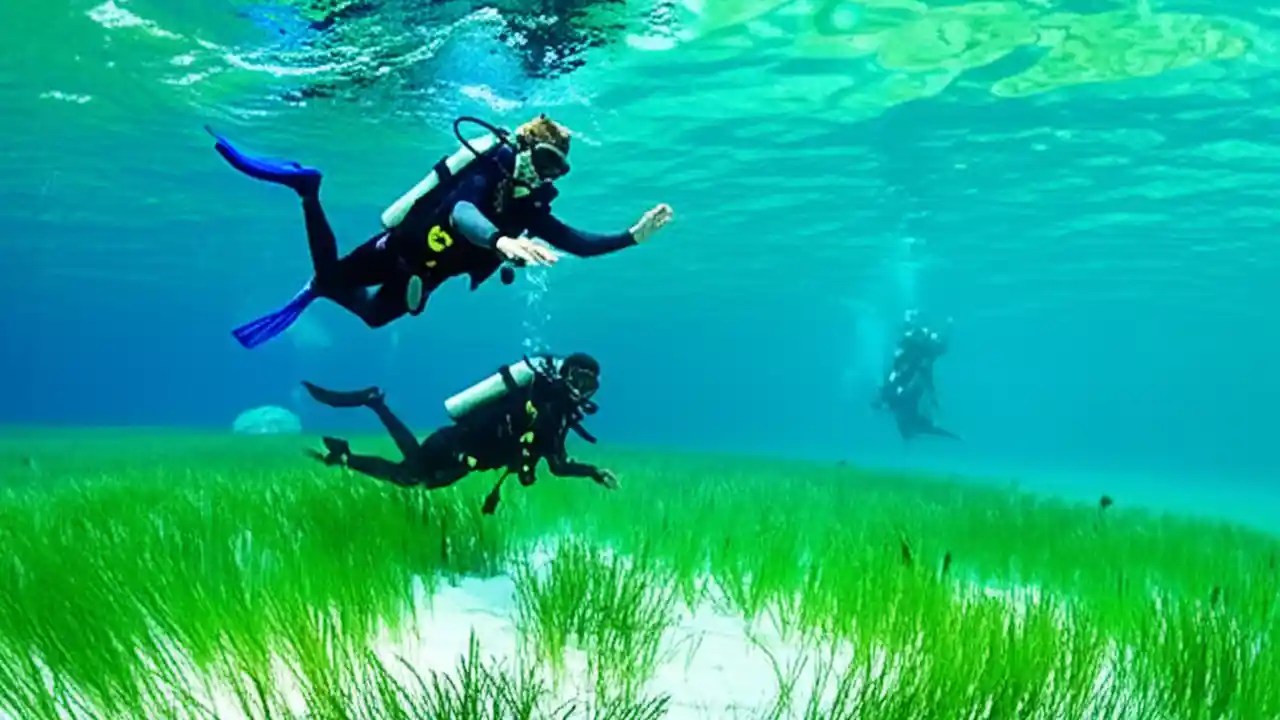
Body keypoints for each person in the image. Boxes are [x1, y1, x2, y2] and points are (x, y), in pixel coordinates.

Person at [207, 115, 674, 348]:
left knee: (371, 317)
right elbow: (461, 213)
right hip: (401, 247)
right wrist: (500, 240)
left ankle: (321, 264)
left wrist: (630, 237)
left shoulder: (527, 206)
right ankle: (308, 189)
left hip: (428, 273)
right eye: (546, 162)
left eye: (559, 171)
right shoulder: (489, 169)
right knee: (329, 279)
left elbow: (574, 241)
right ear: (526, 147)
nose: (548, 177)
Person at [303, 352, 617, 514]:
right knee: (411, 476)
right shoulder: (530, 397)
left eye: (589, 386)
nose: (580, 390)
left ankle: (355, 438)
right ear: (564, 373)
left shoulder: (559, 418)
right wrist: (463, 453)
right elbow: (491, 420)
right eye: (578, 379)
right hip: (455, 445)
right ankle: (368, 417)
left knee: (412, 474)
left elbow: (558, 465)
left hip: (471, 460)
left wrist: (593, 472)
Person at [873, 310, 959, 441]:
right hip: (909, 383)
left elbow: (919, 368)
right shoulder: (915, 346)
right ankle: (917, 426)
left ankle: (915, 427)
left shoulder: (915, 345)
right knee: (906, 400)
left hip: (910, 383)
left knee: (905, 400)